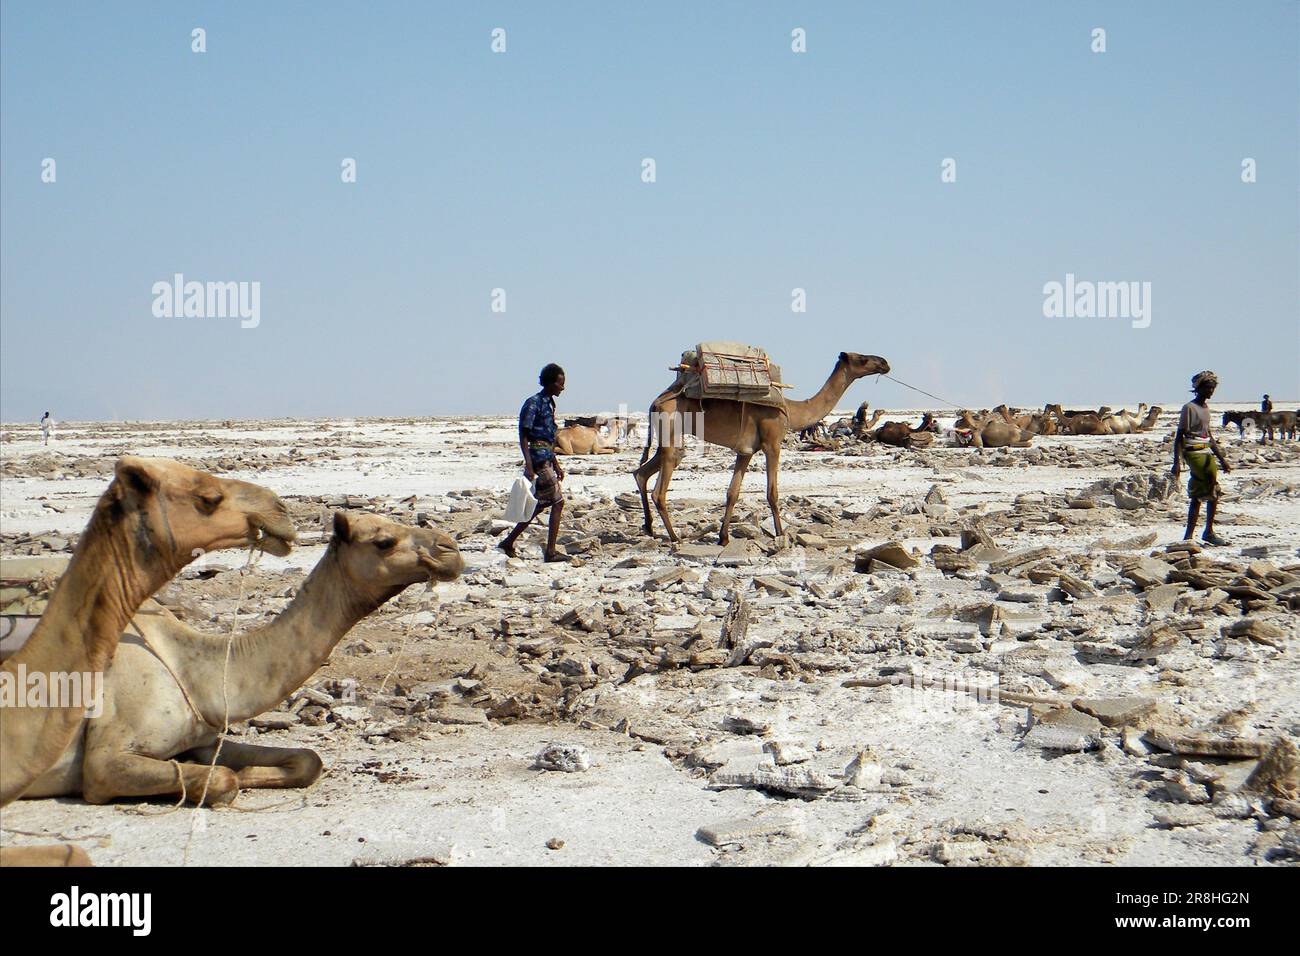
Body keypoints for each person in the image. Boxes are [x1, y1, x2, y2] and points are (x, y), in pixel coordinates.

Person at [498, 364, 568, 562]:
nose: (562, 388)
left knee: (539, 505)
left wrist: (556, 463)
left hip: (546, 456)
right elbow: (524, 434)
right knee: (558, 502)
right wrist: (529, 465)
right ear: (551, 383)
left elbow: (550, 438)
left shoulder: (549, 404)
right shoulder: (533, 403)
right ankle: (551, 552)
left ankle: (509, 541)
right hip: (537, 458)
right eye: (560, 383)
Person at [1171, 371, 1231, 546]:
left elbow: (1209, 436)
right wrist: (1176, 463)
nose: (1211, 391)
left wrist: (1222, 460)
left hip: (1206, 451)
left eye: (1213, 388)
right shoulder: (1189, 408)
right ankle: (1191, 536)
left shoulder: (1206, 409)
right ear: (1199, 388)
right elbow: (1179, 437)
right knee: (1204, 488)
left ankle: (1206, 532)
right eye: (1208, 387)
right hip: (1194, 452)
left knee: (1213, 492)